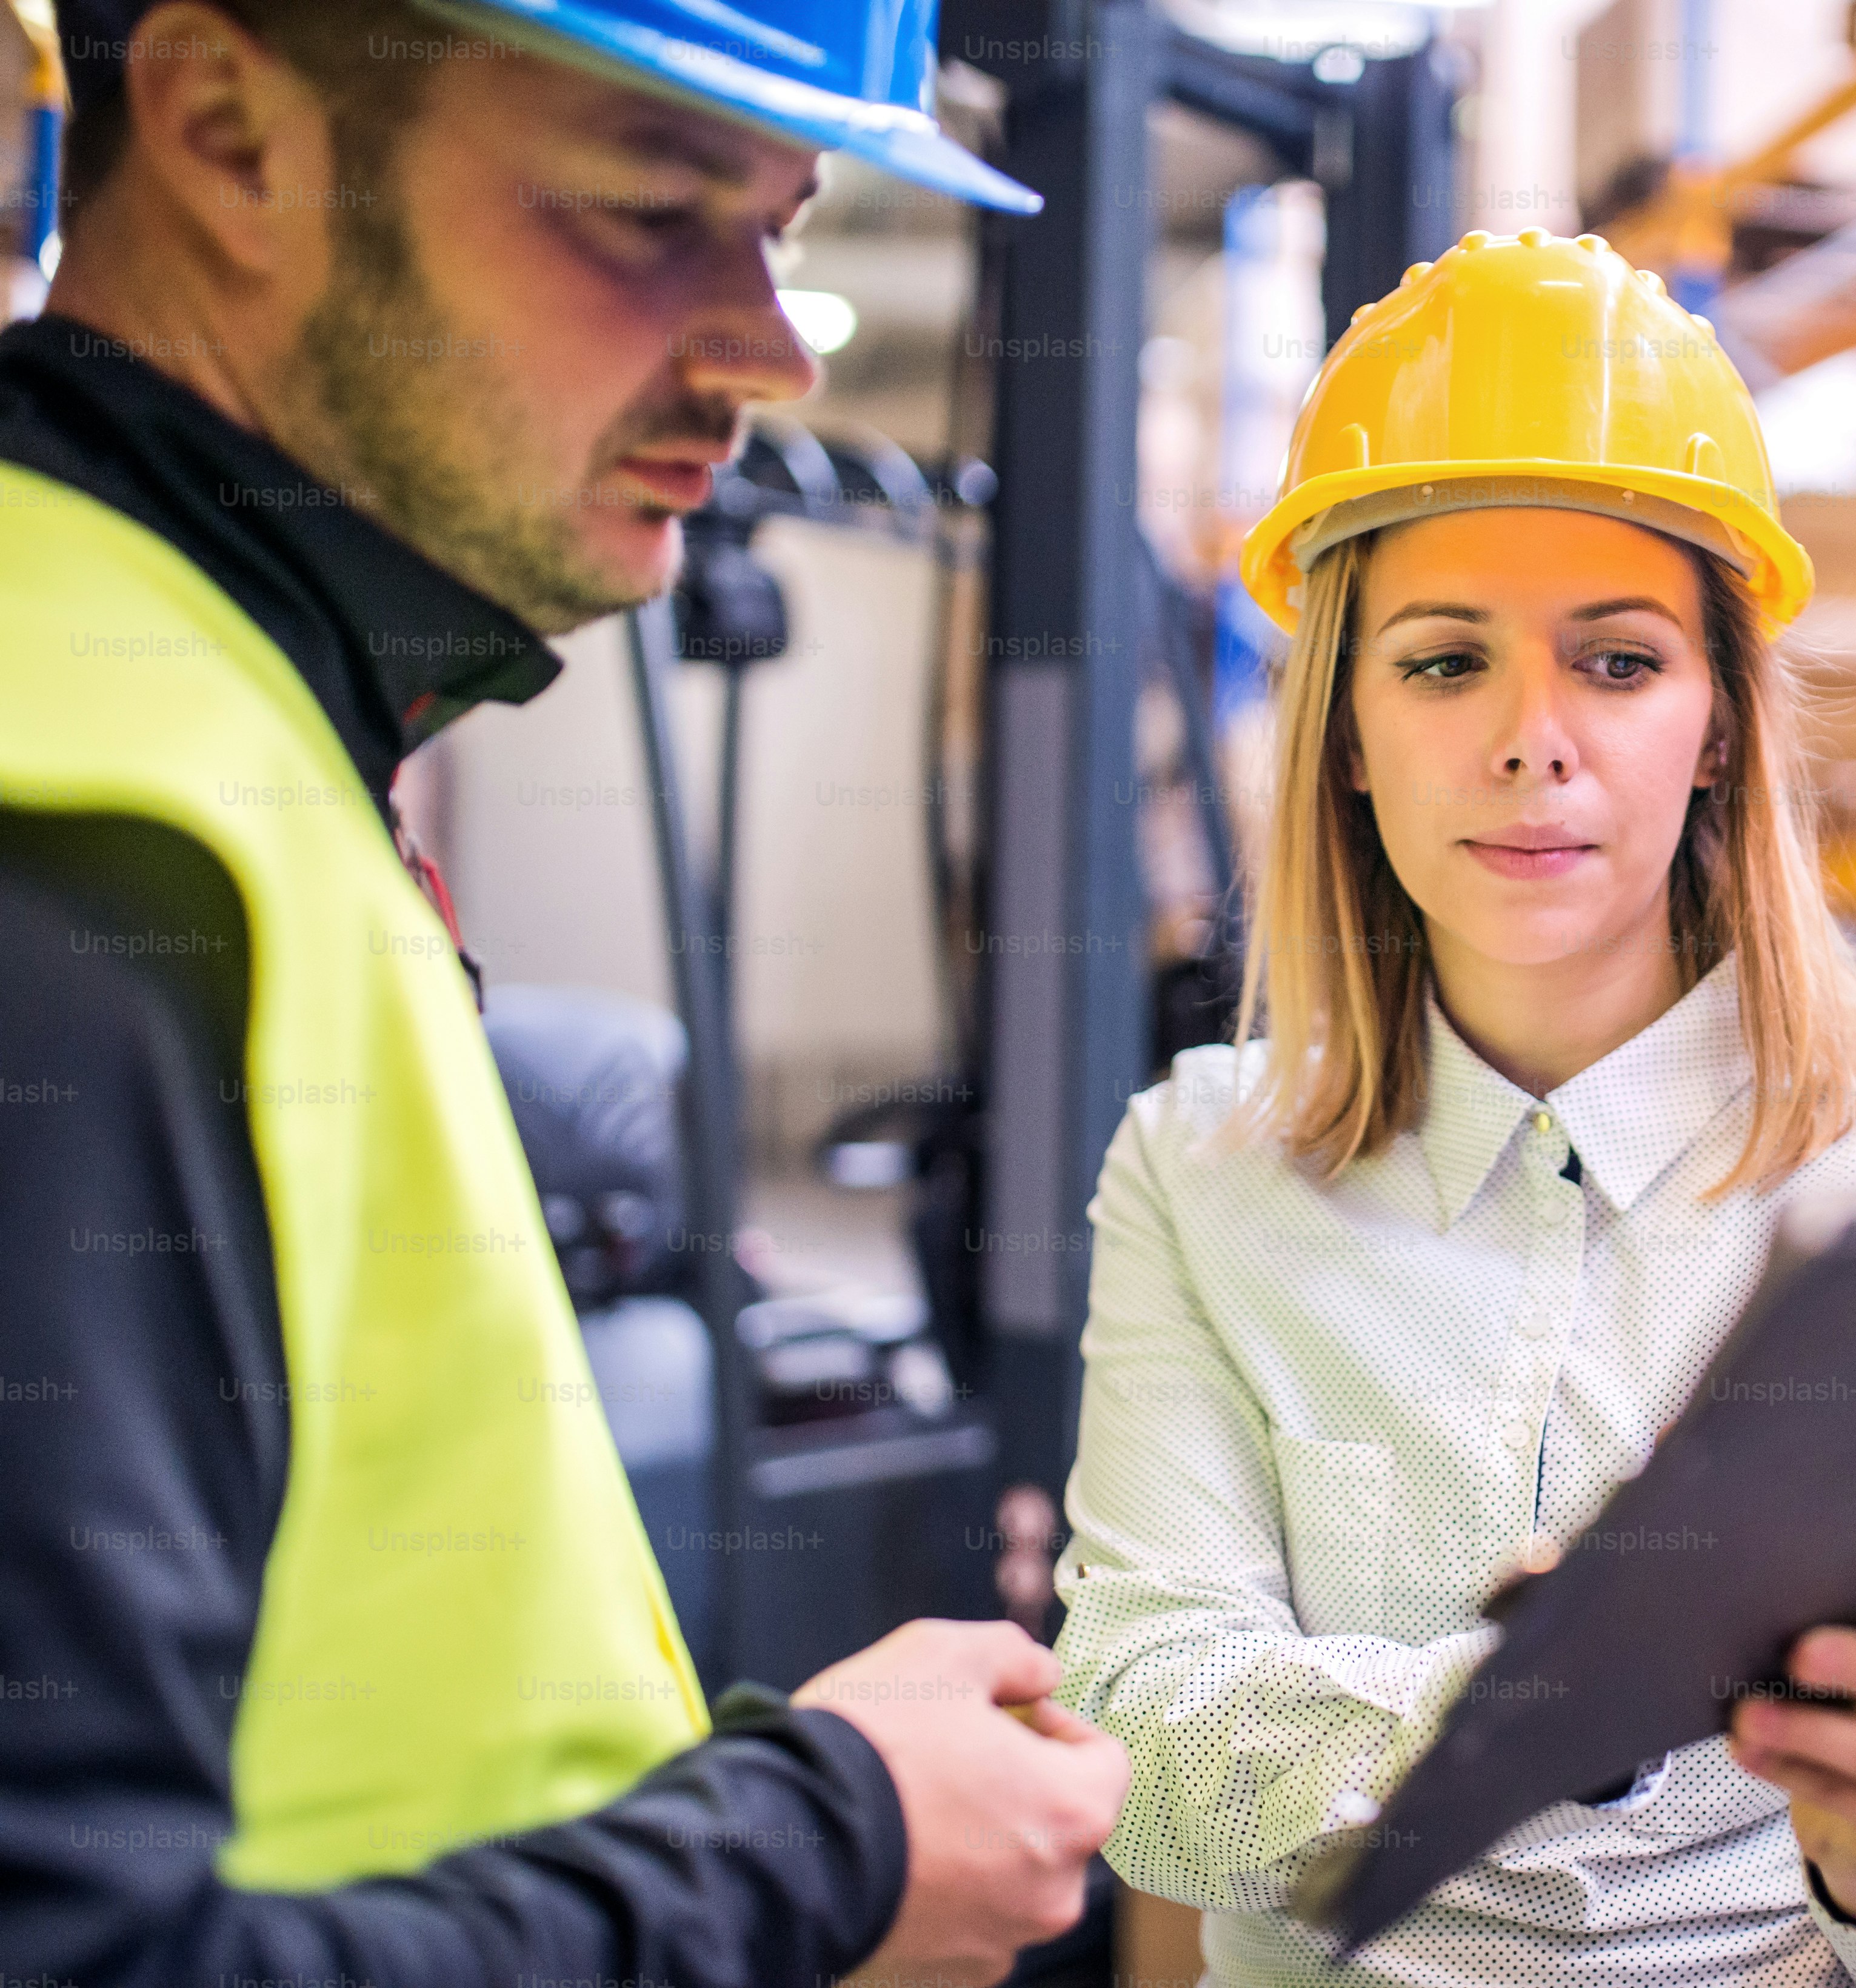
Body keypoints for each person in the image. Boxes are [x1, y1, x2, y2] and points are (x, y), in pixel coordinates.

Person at [0, 4, 1123, 1983]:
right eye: (649, 208)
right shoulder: (82, 849)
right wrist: (827, 1848)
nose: (770, 351)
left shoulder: (207, 712)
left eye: (782, 225)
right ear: (228, 131)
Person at [1052, 228, 1856, 1986]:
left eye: (1619, 662)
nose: (1534, 740)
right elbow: (1138, 1752)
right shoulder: (1196, 1164)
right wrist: (1568, 1701)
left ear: (1716, 727)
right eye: (1445, 662)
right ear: (1347, 729)